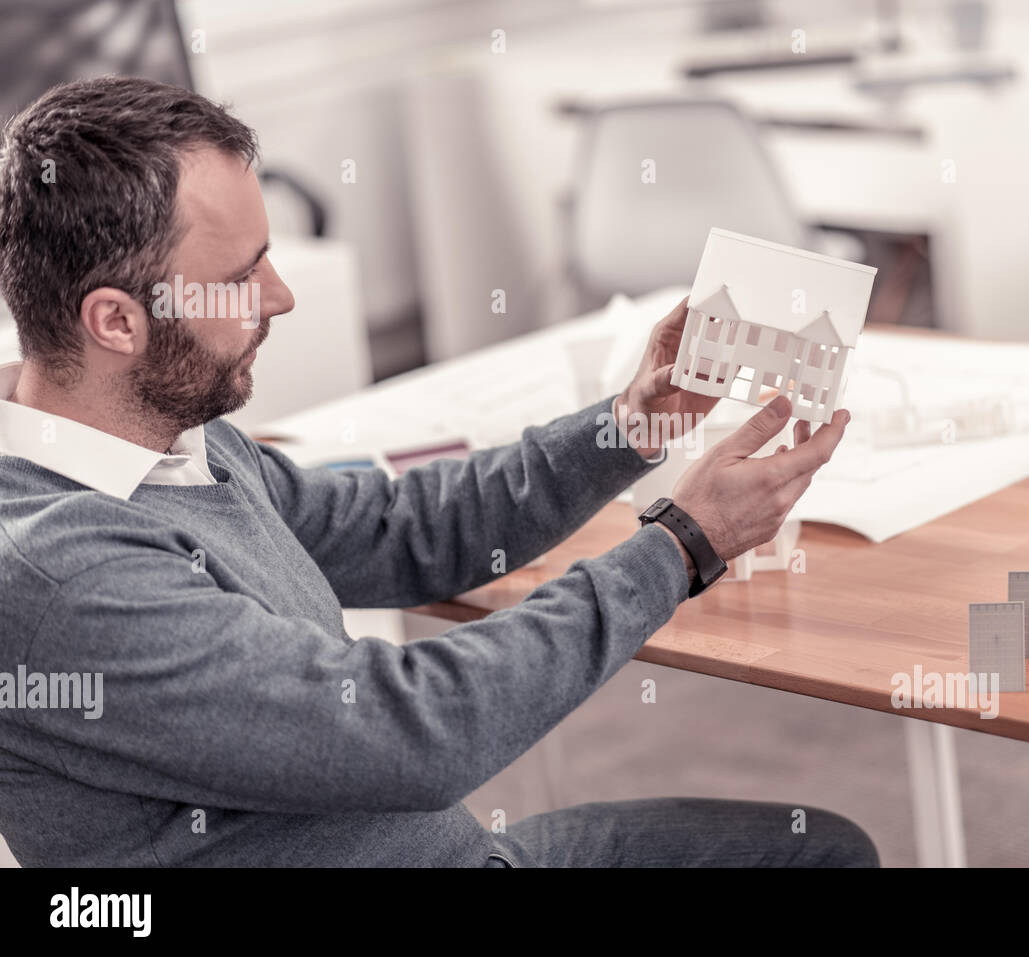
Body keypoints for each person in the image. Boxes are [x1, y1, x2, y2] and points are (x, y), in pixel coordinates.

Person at [0, 76, 877, 867]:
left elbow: (404, 528)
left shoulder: (170, 432)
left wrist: (631, 423)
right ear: (116, 322)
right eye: (241, 275)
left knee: (819, 852)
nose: (279, 294)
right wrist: (682, 545)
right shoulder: (66, 580)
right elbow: (411, 730)